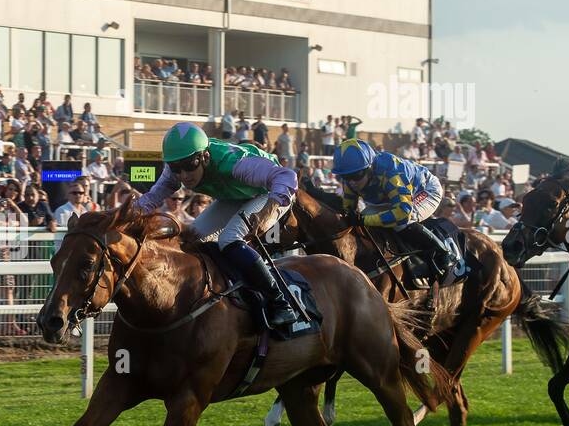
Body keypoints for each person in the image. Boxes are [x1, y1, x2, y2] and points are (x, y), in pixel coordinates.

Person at [136, 121, 300, 328]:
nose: (184, 175)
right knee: (191, 239)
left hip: (269, 192)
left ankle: (280, 302)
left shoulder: (234, 163)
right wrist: (113, 219)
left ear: (204, 156)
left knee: (229, 239)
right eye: (176, 168)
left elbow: (287, 175)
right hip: (233, 196)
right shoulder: (174, 169)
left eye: (190, 165)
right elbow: (148, 201)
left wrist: (267, 211)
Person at [330, 138, 454, 282]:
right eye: (345, 177)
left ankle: (443, 252)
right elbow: (348, 210)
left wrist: (364, 220)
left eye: (356, 176)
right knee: (366, 218)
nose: (351, 182)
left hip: (424, 191)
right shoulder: (350, 180)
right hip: (390, 198)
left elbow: (403, 213)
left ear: (369, 168)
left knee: (399, 222)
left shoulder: (391, 173)